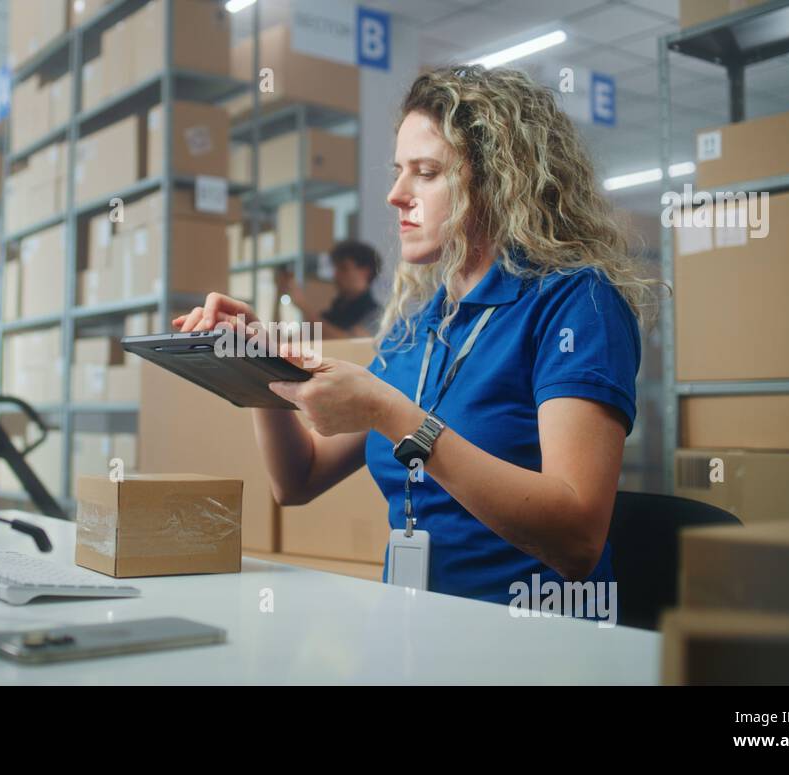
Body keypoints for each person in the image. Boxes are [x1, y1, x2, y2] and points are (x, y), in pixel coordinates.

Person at [173, 66, 660, 608]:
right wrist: (260, 367)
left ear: (500, 183)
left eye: (426, 173)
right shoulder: (420, 327)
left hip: (533, 639)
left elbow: (577, 540)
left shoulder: (576, 303)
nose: (395, 195)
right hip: (416, 628)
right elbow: (298, 480)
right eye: (398, 170)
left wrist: (392, 414)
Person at [274, 239, 383, 338]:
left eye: (344, 268)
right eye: (336, 268)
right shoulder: (333, 313)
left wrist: (304, 306)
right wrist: (278, 294)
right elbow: (282, 342)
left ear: (365, 271)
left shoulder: (376, 315)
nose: (336, 274)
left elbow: (348, 344)